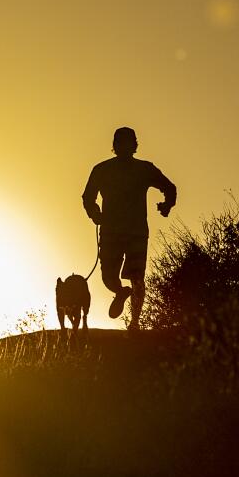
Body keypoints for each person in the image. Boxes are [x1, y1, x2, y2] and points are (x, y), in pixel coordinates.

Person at [82, 126, 177, 331]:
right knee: (111, 277)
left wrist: (167, 204)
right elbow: (88, 197)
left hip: (133, 233)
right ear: (115, 146)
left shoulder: (142, 169)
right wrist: (95, 213)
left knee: (136, 278)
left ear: (134, 145)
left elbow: (170, 188)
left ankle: (134, 322)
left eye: (128, 142)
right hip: (117, 232)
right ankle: (121, 294)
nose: (125, 146)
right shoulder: (104, 170)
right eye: (121, 142)